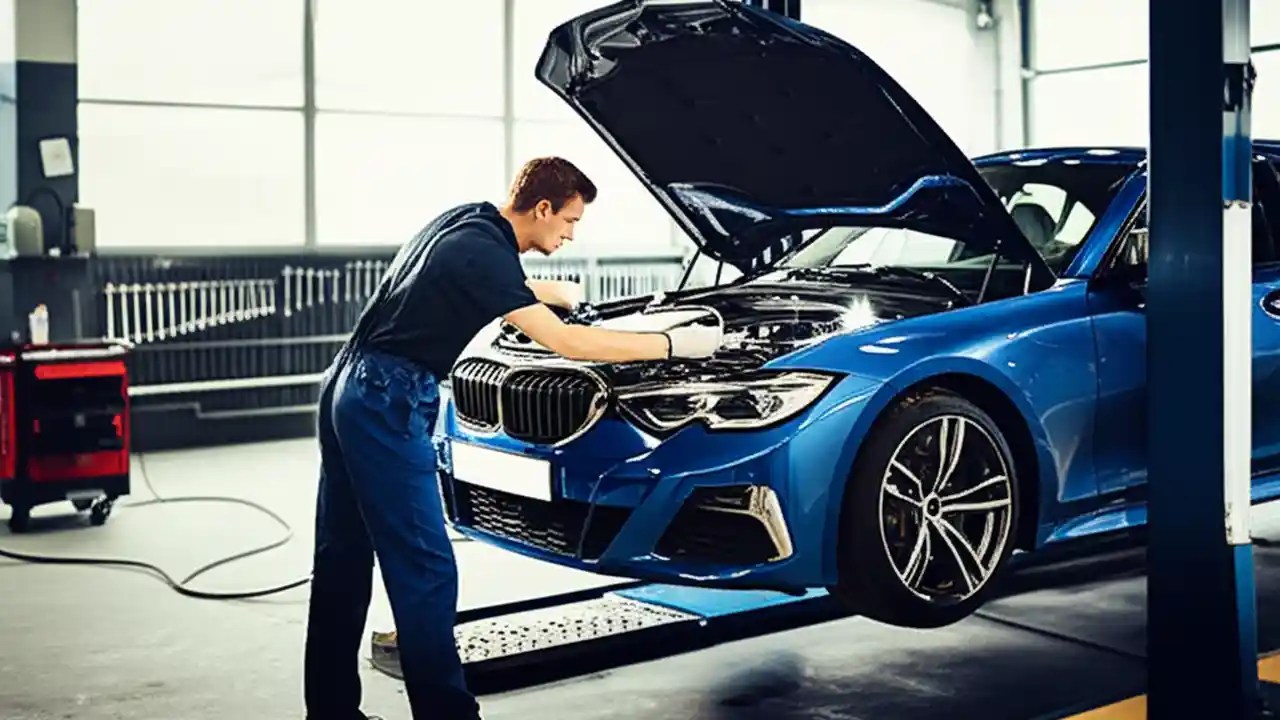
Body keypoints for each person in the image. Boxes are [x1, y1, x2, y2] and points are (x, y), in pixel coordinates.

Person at [302, 156, 722, 720]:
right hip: (387, 396)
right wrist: (671, 345)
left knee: (343, 555)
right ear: (543, 208)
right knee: (424, 565)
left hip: (347, 384)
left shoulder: (468, 223)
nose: (571, 235)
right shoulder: (483, 253)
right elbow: (570, 345)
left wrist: (550, 292)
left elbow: (478, 285)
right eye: (569, 221)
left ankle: (330, 711)